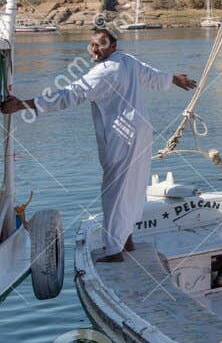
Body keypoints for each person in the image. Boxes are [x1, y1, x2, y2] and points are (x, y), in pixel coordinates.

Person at [1, 28, 196, 262]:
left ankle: (114, 251)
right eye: (91, 44)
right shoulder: (126, 60)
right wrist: (175, 79)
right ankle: (127, 240)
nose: (94, 49)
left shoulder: (105, 71)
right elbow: (151, 75)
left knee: (114, 191)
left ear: (113, 46)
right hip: (140, 131)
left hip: (122, 136)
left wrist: (21, 104)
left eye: (101, 44)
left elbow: (68, 95)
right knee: (132, 188)